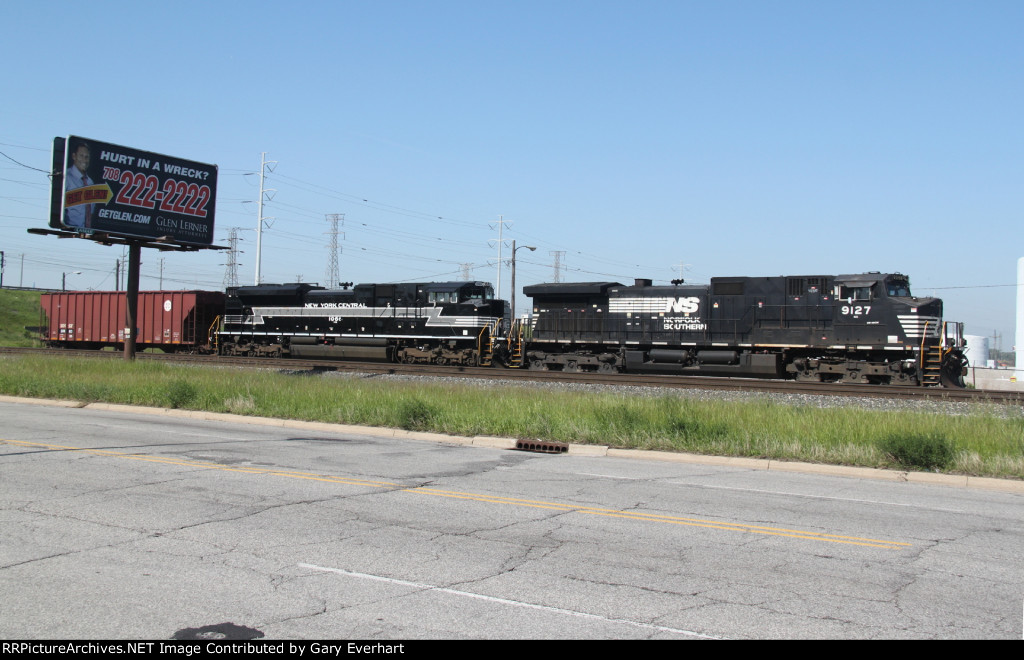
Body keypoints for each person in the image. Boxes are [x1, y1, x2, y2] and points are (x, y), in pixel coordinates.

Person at [64, 141, 94, 228]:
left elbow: (90, 211)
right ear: (74, 156)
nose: (84, 160)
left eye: (87, 157)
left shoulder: (90, 182)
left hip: (84, 230)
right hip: (69, 226)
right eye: (81, 156)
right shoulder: (66, 177)